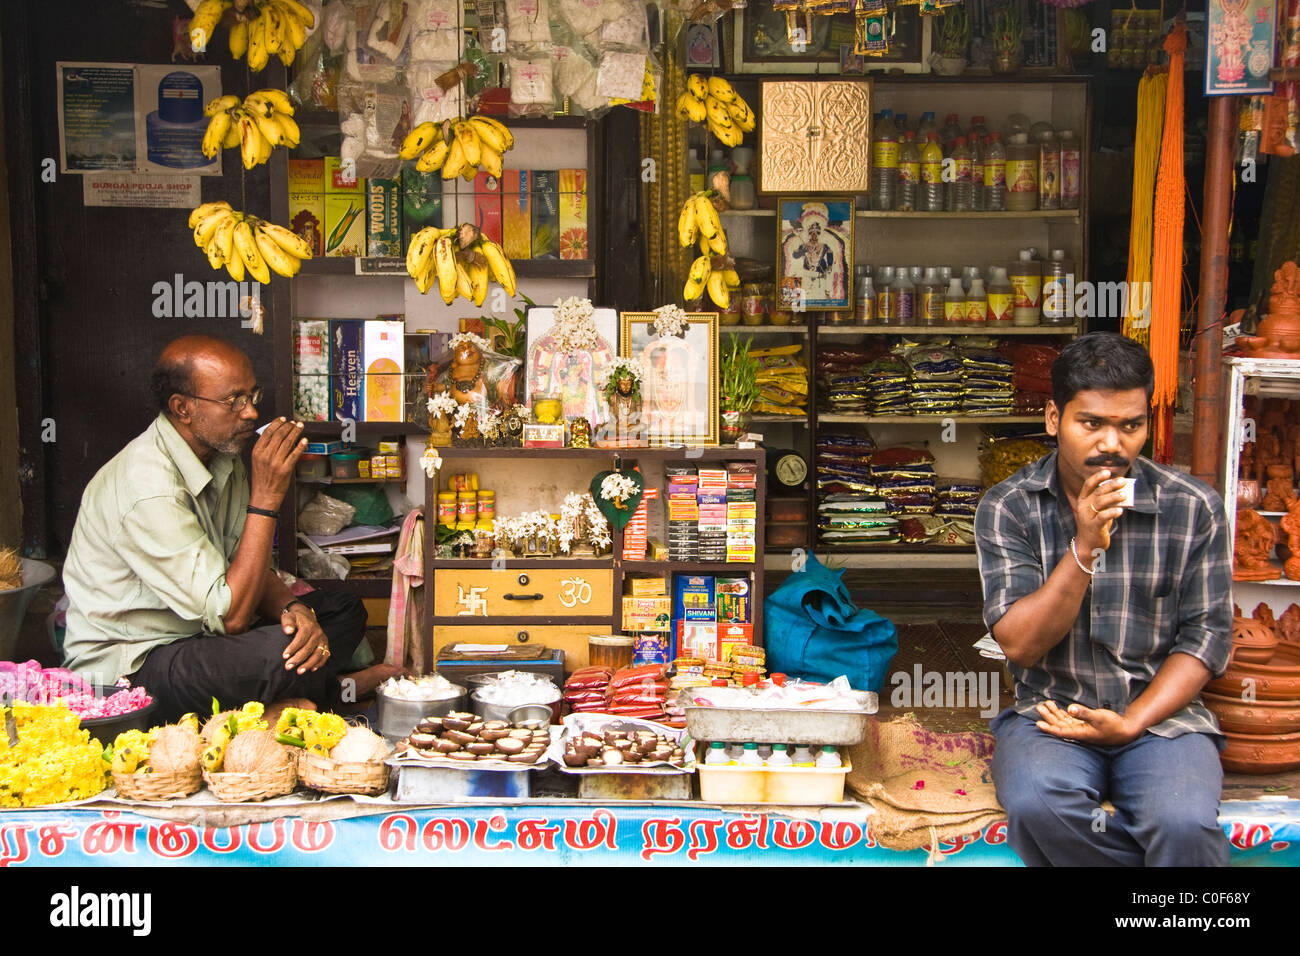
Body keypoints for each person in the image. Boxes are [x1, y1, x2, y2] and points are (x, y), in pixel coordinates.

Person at [975, 332, 1232, 866]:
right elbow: (1019, 645)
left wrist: (1134, 720)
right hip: (1049, 715)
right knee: (1039, 805)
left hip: (1163, 720)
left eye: (1130, 425)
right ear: (1053, 419)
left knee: (1181, 822)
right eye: (1091, 423)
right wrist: (1086, 546)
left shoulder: (1193, 507)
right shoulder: (1009, 507)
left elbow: (1207, 637)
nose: (1111, 444)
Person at [62, 335, 401, 722]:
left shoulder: (222, 456)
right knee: (278, 651)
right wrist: (268, 497)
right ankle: (305, 701)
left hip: (204, 634)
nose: (251, 412)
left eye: (251, 395)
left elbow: (248, 567)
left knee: (341, 610)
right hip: (137, 663)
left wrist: (295, 609)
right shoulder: (148, 489)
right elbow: (232, 617)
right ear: (182, 408)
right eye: (233, 401)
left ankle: (296, 700)